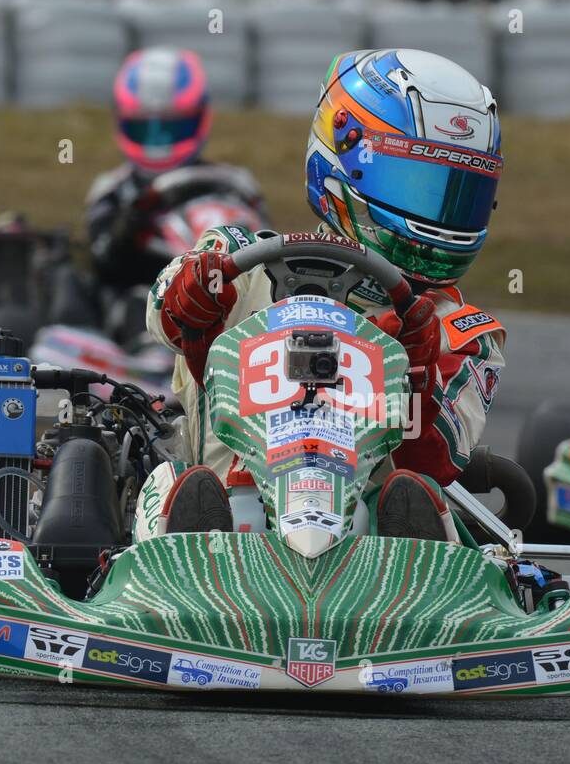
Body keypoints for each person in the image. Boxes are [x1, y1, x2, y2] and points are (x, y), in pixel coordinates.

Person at [143, 48, 507, 540]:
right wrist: (189, 298)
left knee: (418, 492)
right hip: (224, 522)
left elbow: (438, 462)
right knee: (167, 482)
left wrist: (416, 377)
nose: (441, 215)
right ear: (345, 162)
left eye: (461, 195)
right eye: (421, 188)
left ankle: (413, 558)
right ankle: (185, 543)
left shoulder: (460, 331)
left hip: (371, 552)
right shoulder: (238, 264)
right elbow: (163, 312)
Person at [85, 47, 266, 297]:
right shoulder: (111, 190)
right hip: (141, 302)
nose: (158, 140)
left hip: (231, 289)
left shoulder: (236, 183)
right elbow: (104, 263)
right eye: (144, 128)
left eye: (171, 127)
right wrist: (128, 229)